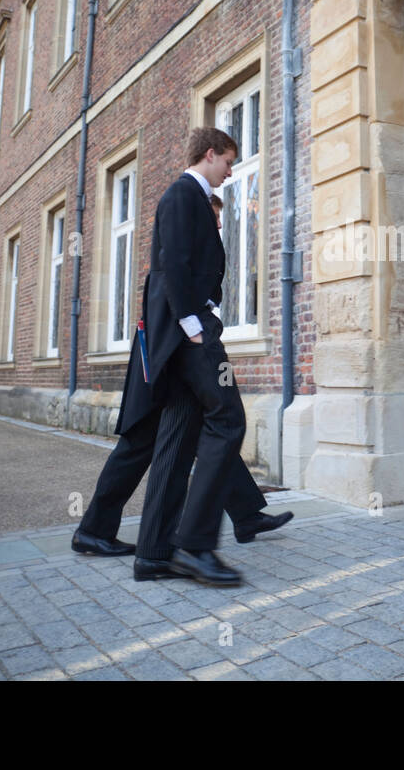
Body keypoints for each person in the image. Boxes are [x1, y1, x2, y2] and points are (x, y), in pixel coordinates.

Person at [74, 128, 280, 587]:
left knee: (178, 437)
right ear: (210, 154)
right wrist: (193, 326)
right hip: (193, 337)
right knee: (228, 420)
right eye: (229, 162)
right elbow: (171, 266)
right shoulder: (184, 195)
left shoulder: (193, 198)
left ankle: (154, 553)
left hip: (190, 334)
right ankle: (195, 546)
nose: (230, 172)